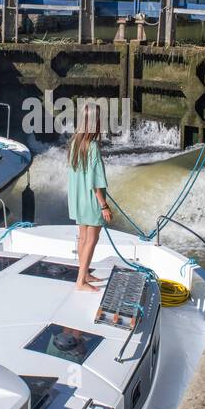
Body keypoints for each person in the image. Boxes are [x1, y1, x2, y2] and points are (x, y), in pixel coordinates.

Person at [67, 102, 114, 292]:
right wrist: (104, 206)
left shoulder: (75, 143)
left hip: (78, 199)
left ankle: (84, 273)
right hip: (92, 200)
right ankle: (80, 281)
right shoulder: (93, 146)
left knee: (83, 238)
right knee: (91, 240)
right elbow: (95, 182)